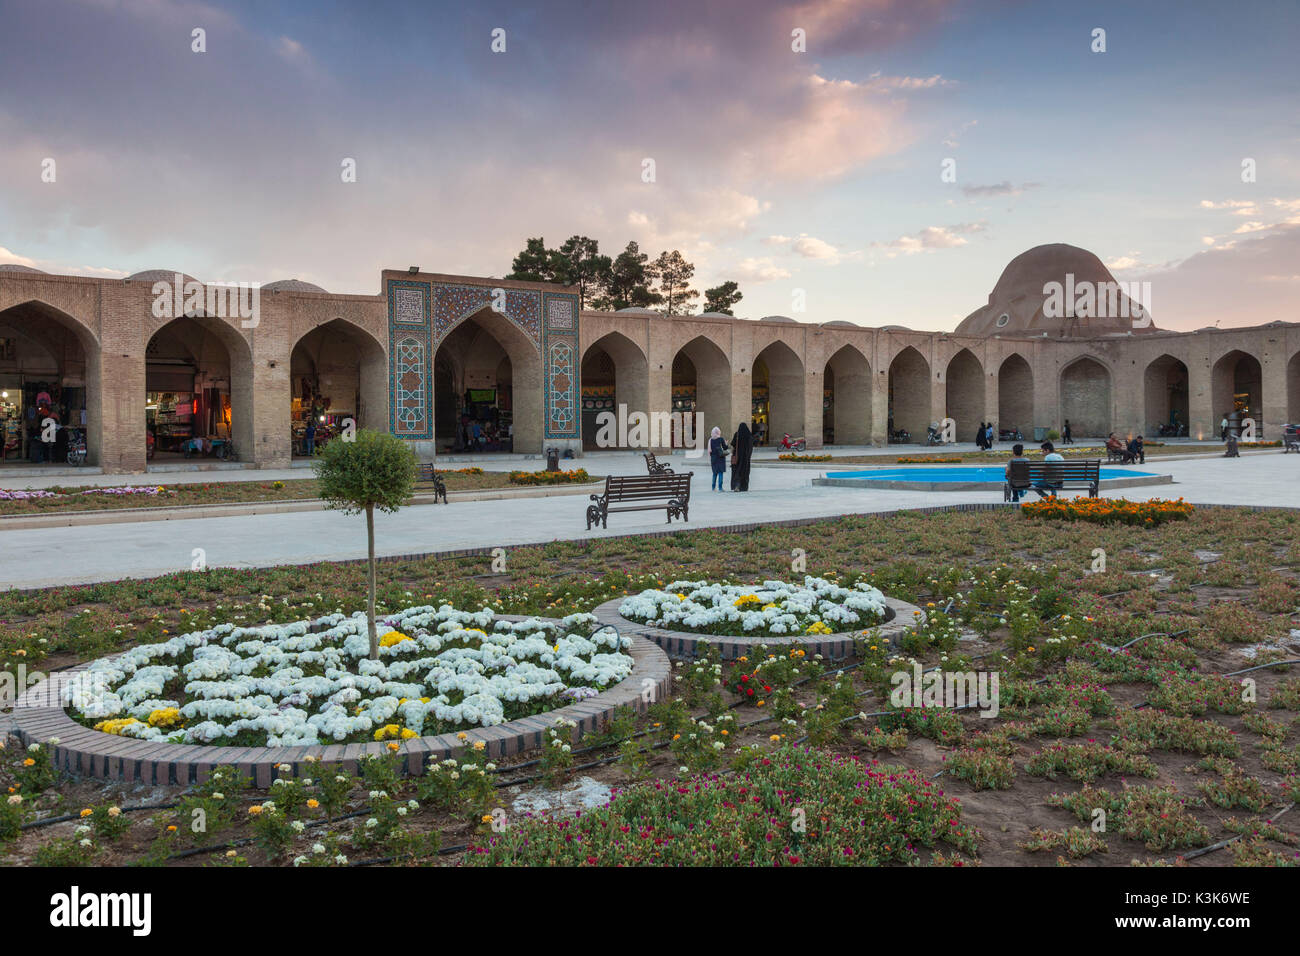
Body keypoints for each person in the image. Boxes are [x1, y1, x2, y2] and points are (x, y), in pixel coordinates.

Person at [730, 422, 753, 491]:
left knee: (737, 471)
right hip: (746, 458)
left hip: (738, 458)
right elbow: (751, 447)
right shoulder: (749, 435)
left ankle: (737, 486)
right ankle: (744, 487)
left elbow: (733, 445)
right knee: (745, 472)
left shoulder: (737, 434)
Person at [709, 426, 728, 491]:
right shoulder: (721, 439)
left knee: (714, 473)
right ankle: (720, 488)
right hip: (720, 458)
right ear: (719, 432)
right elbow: (725, 448)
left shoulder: (710, 440)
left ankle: (713, 487)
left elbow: (710, 450)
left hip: (713, 458)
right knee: (720, 473)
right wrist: (726, 443)